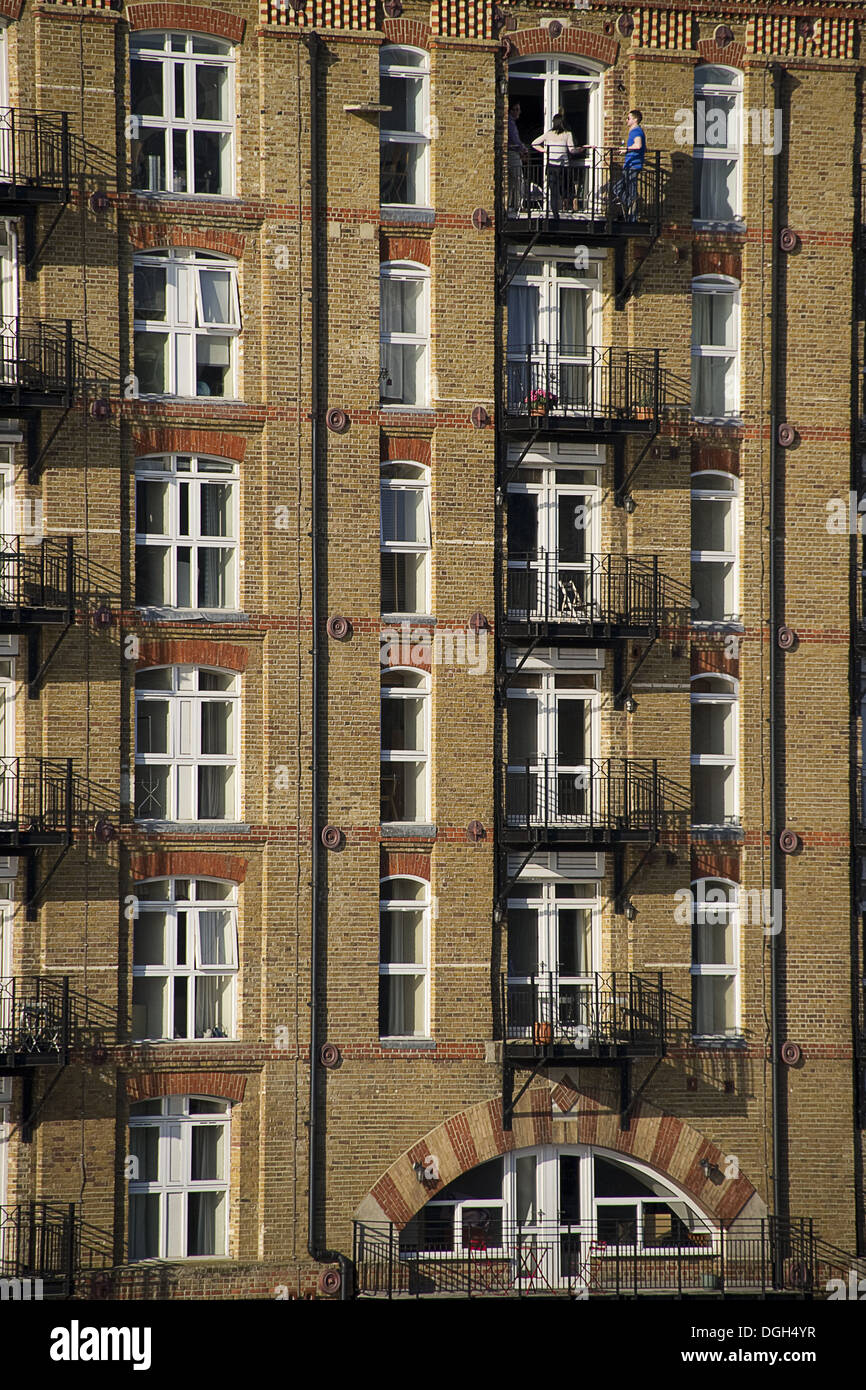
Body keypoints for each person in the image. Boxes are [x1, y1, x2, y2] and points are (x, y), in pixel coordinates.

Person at [532, 113, 578, 219]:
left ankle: (555, 213)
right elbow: (572, 150)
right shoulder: (567, 134)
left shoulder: (548, 134)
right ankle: (568, 210)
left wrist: (545, 151)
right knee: (567, 189)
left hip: (552, 166)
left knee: (554, 191)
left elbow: (534, 143)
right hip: (564, 167)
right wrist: (582, 149)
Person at [613, 109, 645, 222]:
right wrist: (625, 151)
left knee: (631, 192)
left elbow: (638, 145)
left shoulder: (635, 131)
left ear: (635, 120)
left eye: (628, 118)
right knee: (617, 189)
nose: (626, 120)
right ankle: (631, 210)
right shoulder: (635, 131)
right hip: (630, 165)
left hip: (633, 165)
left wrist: (627, 148)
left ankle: (633, 219)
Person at [508, 101, 529, 213]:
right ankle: (518, 205)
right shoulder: (510, 124)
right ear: (511, 110)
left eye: (518, 109)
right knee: (519, 179)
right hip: (512, 153)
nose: (518, 112)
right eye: (516, 109)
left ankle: (508, 205)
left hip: (512, 152)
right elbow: (514, 140)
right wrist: (523, 149)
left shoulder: (511, 123)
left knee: (511, 181)